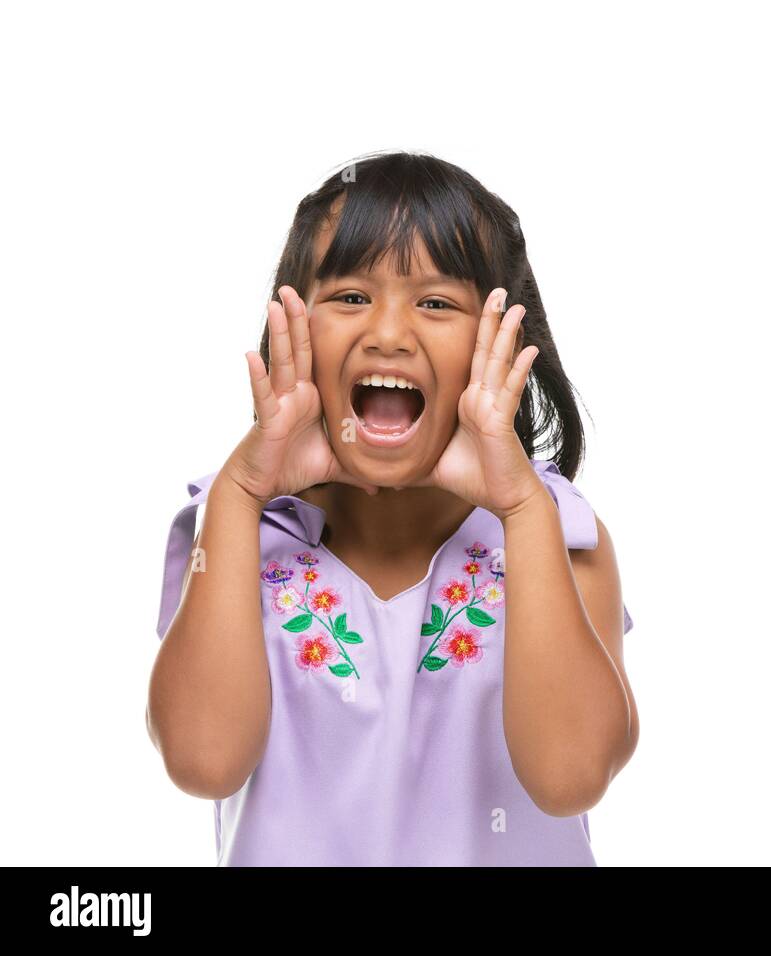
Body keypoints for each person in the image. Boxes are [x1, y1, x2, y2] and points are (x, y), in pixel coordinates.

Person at [146, 150, 638, 865]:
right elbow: (203, 760)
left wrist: (521, 510)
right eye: (350, 296)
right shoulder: (238, 530)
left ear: (499, 343)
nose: (387, 333)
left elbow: (570, 777)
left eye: (436, 303)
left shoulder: (557, 534)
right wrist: (241, 491)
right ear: (294, 326)